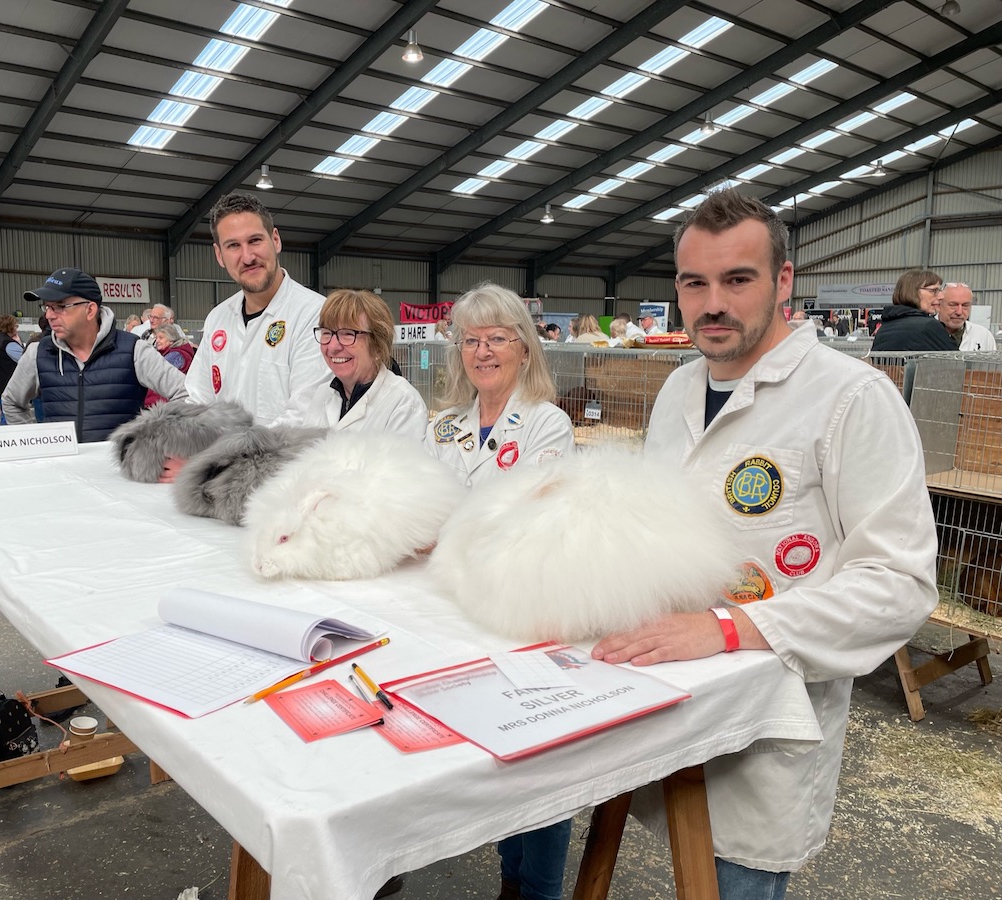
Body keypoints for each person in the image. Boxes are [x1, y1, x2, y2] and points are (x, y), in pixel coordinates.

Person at [588, 189, 937, 899]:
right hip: (663, 694)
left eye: (737, 279)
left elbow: (898, 584)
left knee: (738, 876)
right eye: (695, 283)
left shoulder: (849, 398)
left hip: (766, 725)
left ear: (783, 281)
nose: (712, 304)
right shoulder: (679, 390)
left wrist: (729, 627)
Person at [423, 283, 575, 899]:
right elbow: (421, 506)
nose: (482, 352)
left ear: (524, 348)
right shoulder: (444, 426)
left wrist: (448, 528)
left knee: (543, 753)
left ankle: (538, 889)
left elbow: (528, 520)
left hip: (522, 608)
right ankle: (511, 874)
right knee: (494, 744)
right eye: (471, 341)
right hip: (455, 609)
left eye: (496, 339)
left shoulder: (547, 423)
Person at [184, 192, 328, 426]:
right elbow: (198, 401)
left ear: (275, 240)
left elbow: (304, 415)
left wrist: (236, 447)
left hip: (286, 451)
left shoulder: (315, 314)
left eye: (255, 240)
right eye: (233, 245)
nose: (248, 257)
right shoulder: (218, 318)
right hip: (222, 449)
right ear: (219, 255)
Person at [2, 267, 189, 442]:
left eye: (60, 306)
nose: (49, 315)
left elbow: (186, 393)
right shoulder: (38, 353)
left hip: (119, 465)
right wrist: (36, 444)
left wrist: (156, 443)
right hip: (61, 465)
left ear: (90, 310)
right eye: (47, 307)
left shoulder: (134, 350)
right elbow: (12, 401)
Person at [301, 289, 428, 439]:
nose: (333, 347)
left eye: (348, 334)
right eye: (327, 333)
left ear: (378, 346)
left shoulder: (404, 403)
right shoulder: (321, 394)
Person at [870, 270, 957, 352]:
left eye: (940, 290)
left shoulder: (885, 327)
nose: (941, 296)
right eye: (934, 291)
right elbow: (957, 358)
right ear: (913, 292)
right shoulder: (928, 326)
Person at [145, 323, 196, 407]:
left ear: (171, 340)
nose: (157, 341)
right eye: (156, 338)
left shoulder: (174, 355)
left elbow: (158, 377)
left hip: (163, 405)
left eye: (161, 338)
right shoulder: (173, 352)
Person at [938, 282, 996, 351]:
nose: (959, 312)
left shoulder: (984, 336)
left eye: (965, 305)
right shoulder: (927, 333)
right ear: (939, 304)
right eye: (953, 305)